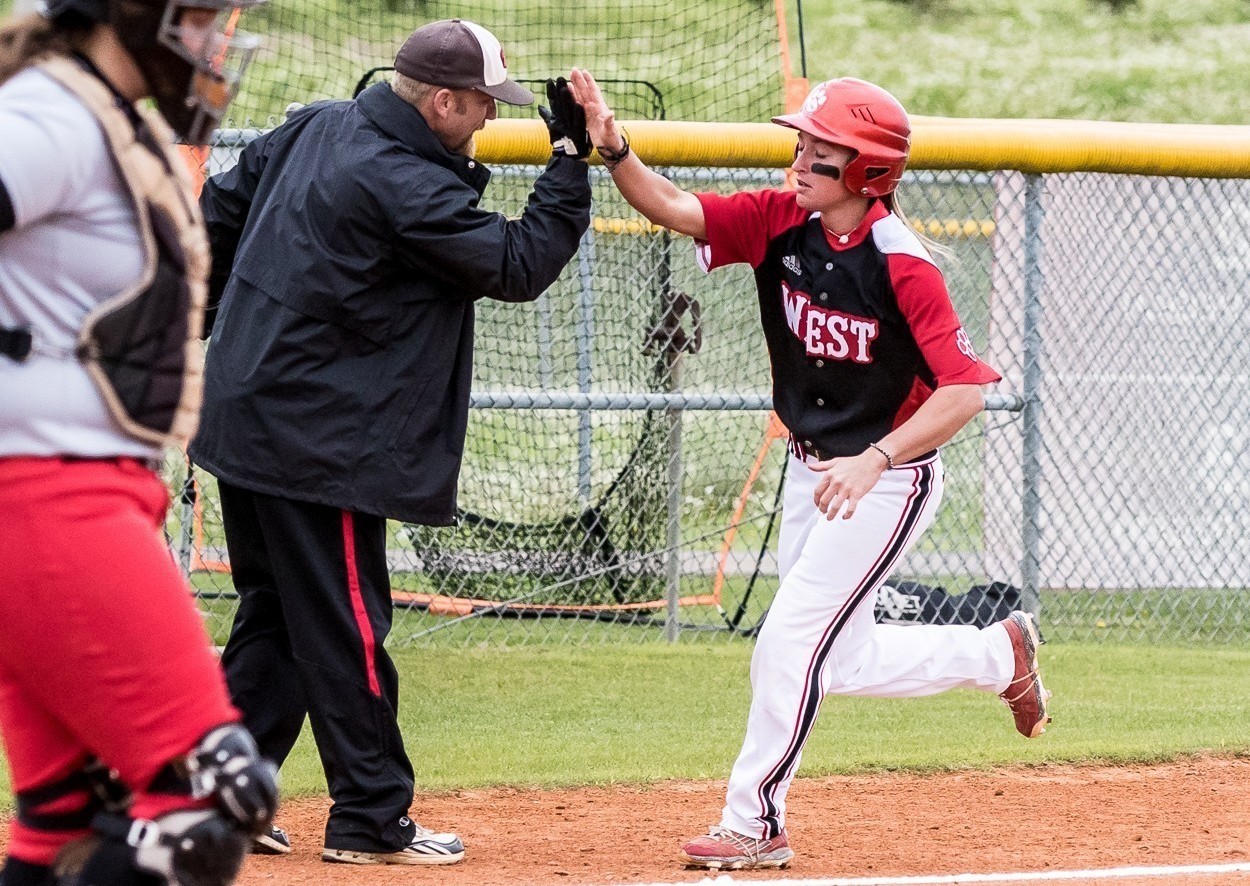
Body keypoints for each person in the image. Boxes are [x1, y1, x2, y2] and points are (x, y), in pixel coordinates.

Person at [568, 69, 1052, 871]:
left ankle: (754, 822)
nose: (800, 158)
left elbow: (966, 392)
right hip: (815, 471)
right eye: (802, 142)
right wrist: (615, 148)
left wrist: (876, 459)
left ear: (867, 171)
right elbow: (677, 209)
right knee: (842, 656)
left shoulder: (905, 265)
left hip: (889, 479)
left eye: (820, 151)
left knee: (789, 639)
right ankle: (1001, 654)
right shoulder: (778, 219)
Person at [189, 18, 593, 867]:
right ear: (441, 100)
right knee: (345, 627)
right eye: (483, 102)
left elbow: (218, 211)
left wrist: (227, 329)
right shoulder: (401, 179)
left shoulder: (318, 125)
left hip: (247, 410)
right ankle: (372, 818)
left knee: (278, 613)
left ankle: (220, 805)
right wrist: (570, 160)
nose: (489, 116)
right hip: (315, 440)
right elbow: (518, 264)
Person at [0, 1, 279, 885]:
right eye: (198, 17)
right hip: (46, 496)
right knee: (208, 803)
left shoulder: (106, 118)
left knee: (67, 828)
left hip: (78, 494)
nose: (215, 43)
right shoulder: (53, 115)